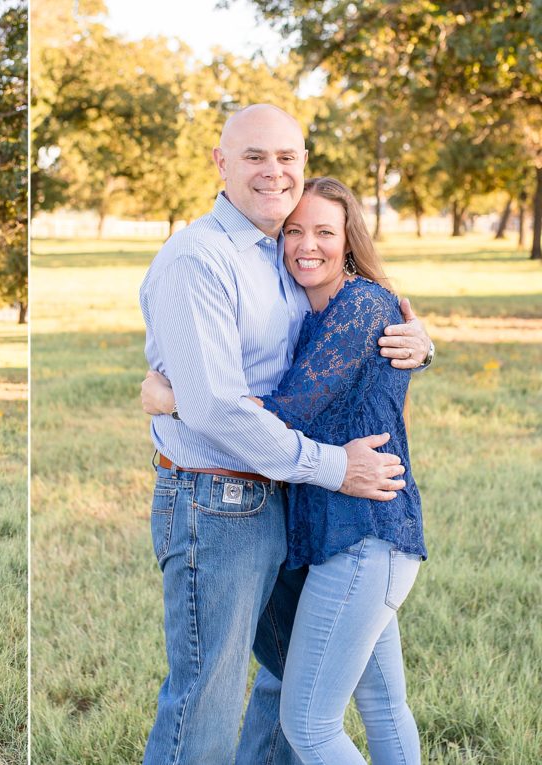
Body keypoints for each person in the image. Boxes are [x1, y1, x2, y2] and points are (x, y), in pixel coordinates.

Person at [137, 104, 433, 765]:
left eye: (287, 158)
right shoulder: (201, 256)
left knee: (299, 693)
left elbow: (326, 365)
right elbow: (222, 409)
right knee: (209, 700)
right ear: (220, 163)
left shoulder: (294, 262)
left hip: (310, 506)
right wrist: (192, 404)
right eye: (254, 157)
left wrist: (423, 342)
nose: (273, 172)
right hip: (220, 501)